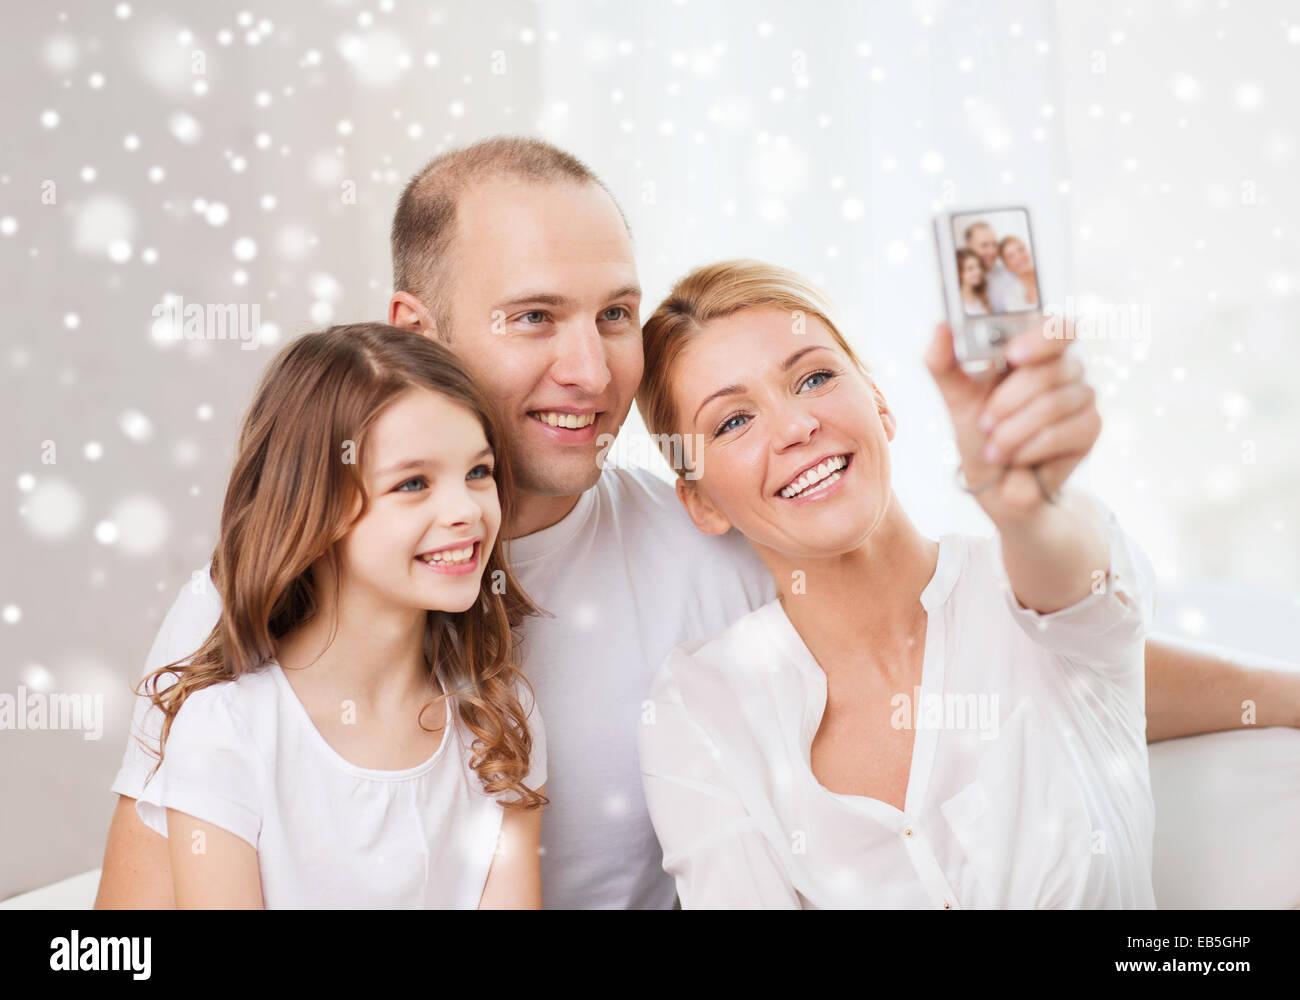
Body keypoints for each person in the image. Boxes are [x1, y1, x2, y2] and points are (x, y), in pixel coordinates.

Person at [96, 135, 1300, 911]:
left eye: (615, 312)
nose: (588, 367)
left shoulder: (713, 548)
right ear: (414, 326)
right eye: (532, 318)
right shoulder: (259, 603)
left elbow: (1027, 655)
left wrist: (1272, 688)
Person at [636, 259, 1154, 907]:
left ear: (878, 403)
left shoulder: (1031, 587)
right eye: (733, 421)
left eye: (815, 377)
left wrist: (1026, 507)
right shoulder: (702, 705)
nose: (796, 427)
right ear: (703, 503)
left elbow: (1074, 586)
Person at [132, 324, 546, 908]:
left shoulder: (498, 721)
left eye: (478, 472)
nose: (465, 510)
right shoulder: (228, 732)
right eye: (413, 483)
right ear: (314, 508)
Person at [965, 221, 1028, 313]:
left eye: (994, 244)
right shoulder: (960, 280)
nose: (992, 251)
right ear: (969, 247)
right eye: (984, 245)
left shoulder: (1010, 275)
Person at [999, 235, 1040, 307]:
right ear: (1007, 266)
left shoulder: (1048, 277)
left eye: (1021, 250)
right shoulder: (1011, 295)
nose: (1019, 257)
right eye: (1011, 256)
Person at [956, 248, 991, 315]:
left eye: (978, 266)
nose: (978, 271)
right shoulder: (955, 303)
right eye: (970, 268)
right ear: (959, 272)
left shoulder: (983, 296)